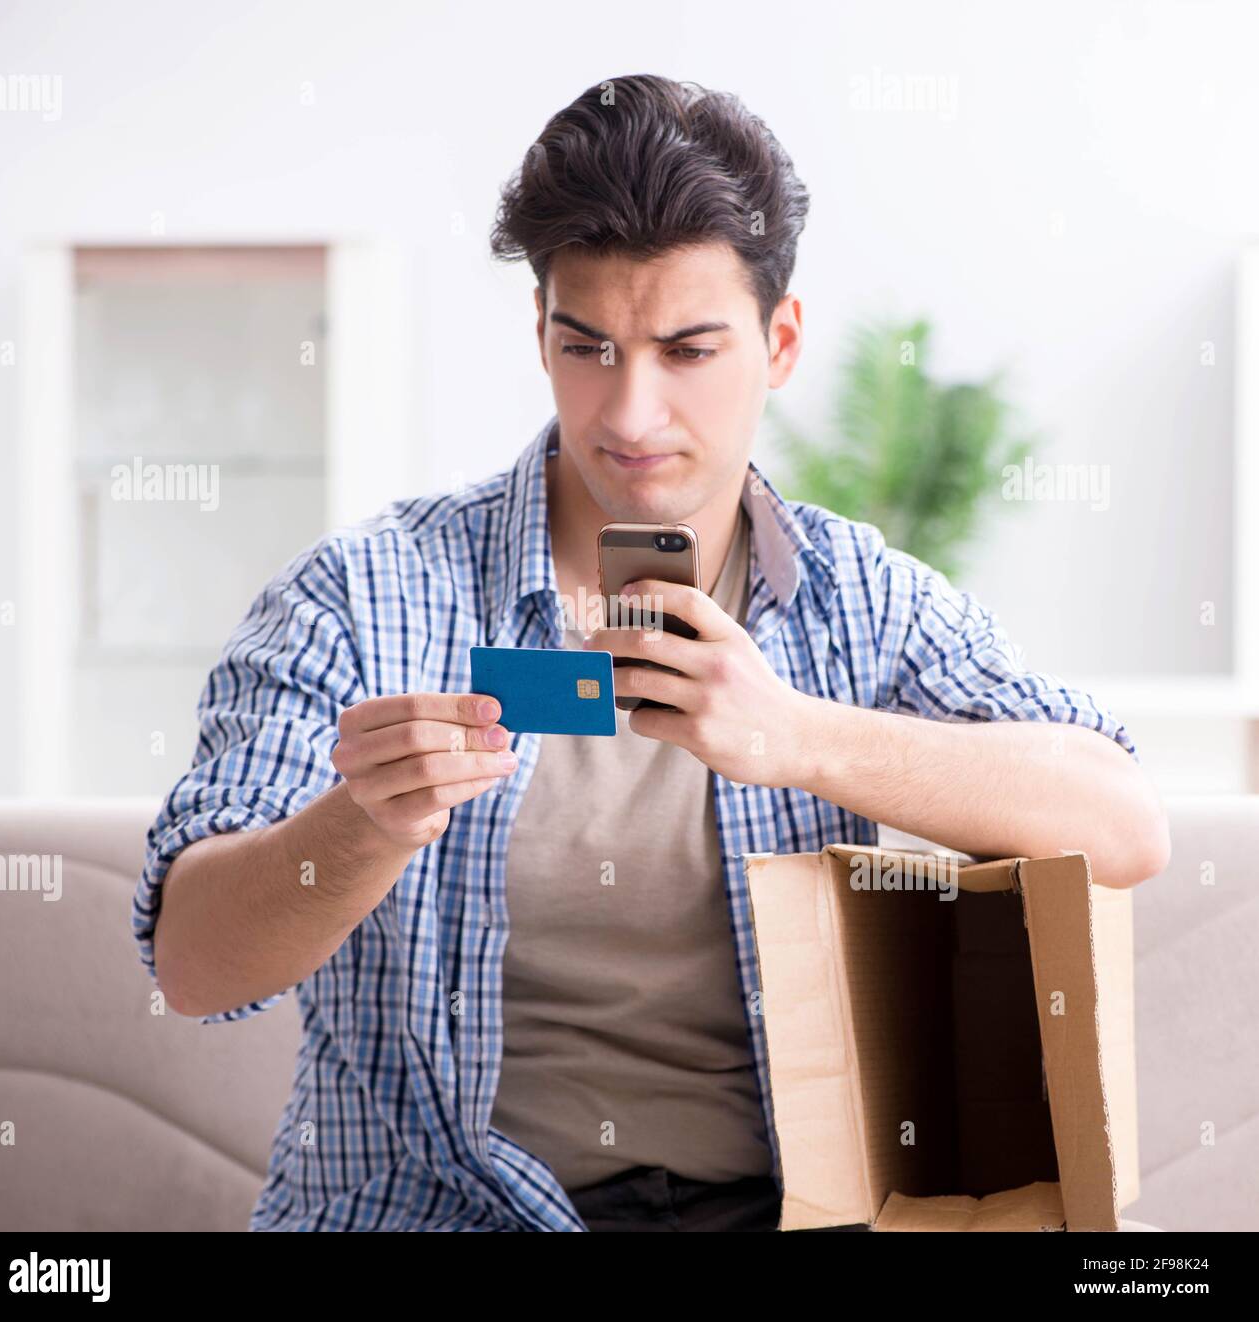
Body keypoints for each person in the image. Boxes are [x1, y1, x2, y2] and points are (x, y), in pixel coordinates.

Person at [131, 73, 1170, 1233]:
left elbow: (1124, 823)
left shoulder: (859, 599)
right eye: (589, 347)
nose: (628, 414)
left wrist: (801, 736)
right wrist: (360, 824)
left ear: (778, 342)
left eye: (685, 350)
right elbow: (192, 965)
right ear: (539, 334)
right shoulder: (362, 595)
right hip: (441, 1213)